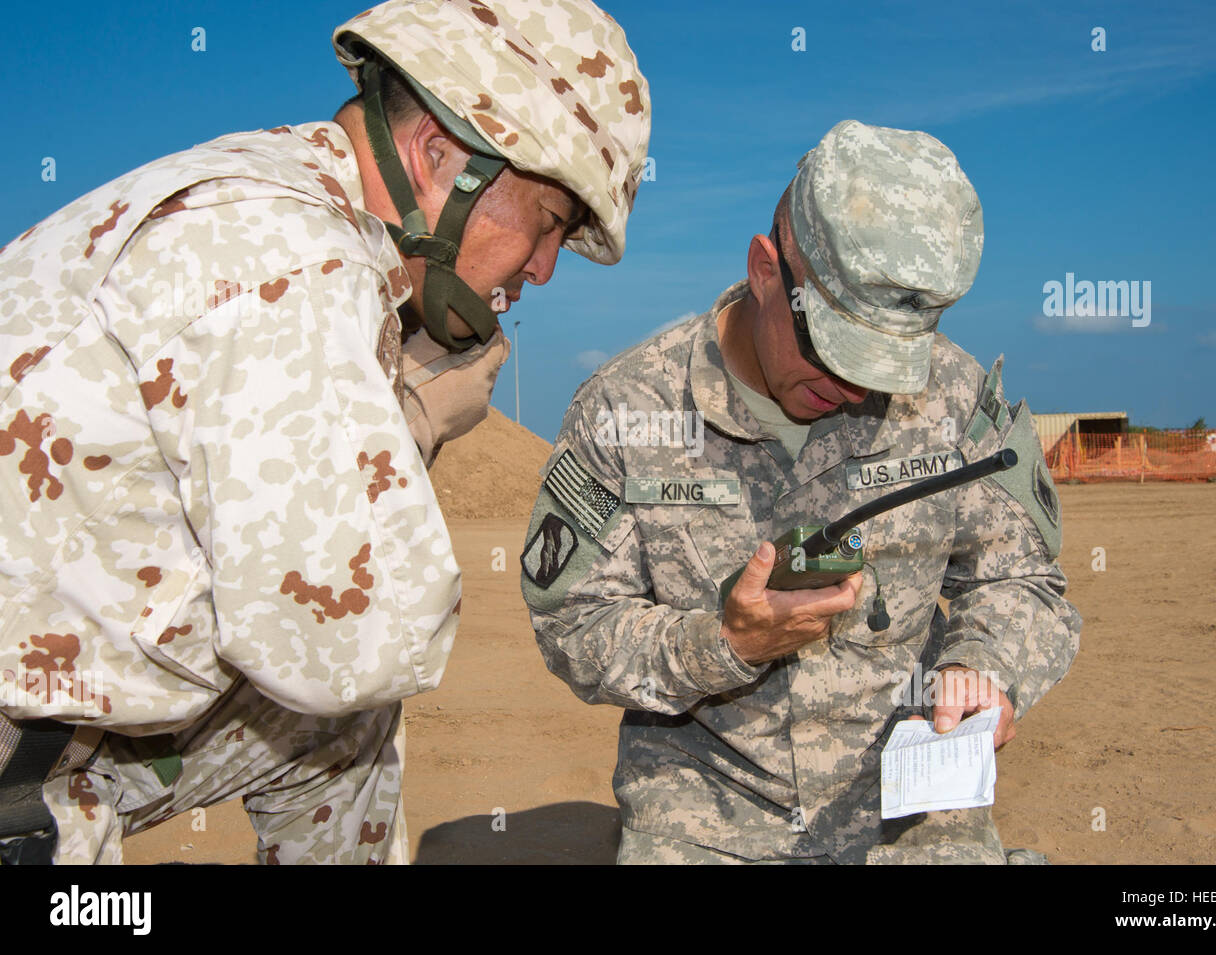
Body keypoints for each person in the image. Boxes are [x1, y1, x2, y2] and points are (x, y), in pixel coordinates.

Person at [0, 0, 649, 865]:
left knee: (341, 737)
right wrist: (412, 420)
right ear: (441, 157)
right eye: (548, 224)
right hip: (30, 766)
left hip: (59, 724)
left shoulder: (261, 191)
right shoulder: (298, 257)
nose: (542, 268)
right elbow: (351, 643)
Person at [521, 120, 1081, 864]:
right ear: (764, 269)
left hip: (909, 808)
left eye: (888, 363)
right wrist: (721, 644)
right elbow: (573, 626)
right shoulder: (624, 409)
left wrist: (979, 666)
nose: (854, 386)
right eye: (834, 346)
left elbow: (1023, 577)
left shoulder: (955, 398)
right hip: (704, 814)